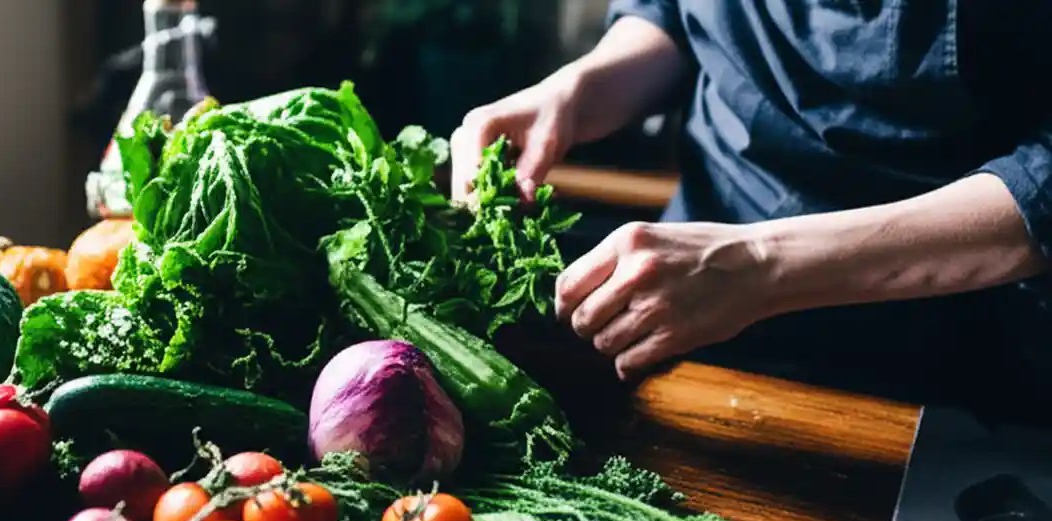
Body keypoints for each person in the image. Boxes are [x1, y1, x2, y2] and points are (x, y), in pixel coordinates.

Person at [450, 1, 1052, 417]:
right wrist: (577, 91)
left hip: (943, 371)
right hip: (678, 315)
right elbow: (683, 20)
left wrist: (764, 264)